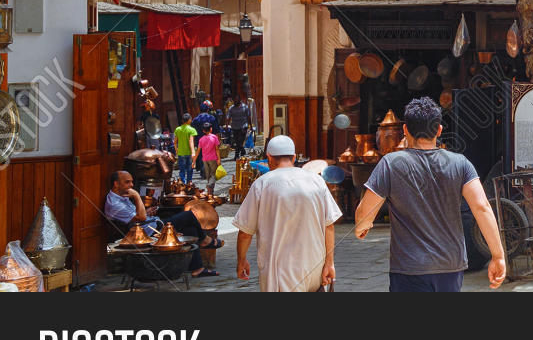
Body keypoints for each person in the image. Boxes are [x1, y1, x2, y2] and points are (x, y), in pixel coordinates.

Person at [354, 97, 505, 291]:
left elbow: (364, 212)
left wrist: (362, 226)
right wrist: (498, 255)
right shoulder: (460, 163)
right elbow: (481, 207)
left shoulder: (391, 164)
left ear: (405, 130)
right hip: (450, 267)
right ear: (439, 130)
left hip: (409, 269)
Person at [235, 134, 342, 292]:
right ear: (293, 157)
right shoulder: (316, 181)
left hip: (281, 274)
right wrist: (329, 262)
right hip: (315, 270)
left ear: (269, 158)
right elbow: (329, 226)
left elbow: (245, 232)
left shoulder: (261, 185)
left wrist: (241, 260)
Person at [104, 171, 161, 239]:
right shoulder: (114, 204)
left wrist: (145, 212)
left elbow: (134, 215)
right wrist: (136, 196)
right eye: (127, 182)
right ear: (116, 184)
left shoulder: (121, 196)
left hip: (152, 224)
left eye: (131, 181)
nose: (131, 185)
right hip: (148, 231)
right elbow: (141, 218)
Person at [193, 124, 222, 192]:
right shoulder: (214, 137)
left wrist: (194, 161)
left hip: (205, 159)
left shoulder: (201, 139)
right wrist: (219, 159)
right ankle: (209, 186)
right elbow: (217, 149)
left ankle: (210, 191)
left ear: (203, 131)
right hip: (213, 158)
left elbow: (198, 150)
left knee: (208, 175)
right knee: (213, 174)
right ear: (211, 129)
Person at [172, 115, 197, 185]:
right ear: (189, 120)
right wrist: (193, 152)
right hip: (189, 152)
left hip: (181, 153)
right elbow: (191, 142)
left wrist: (176, 150)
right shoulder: (192, 130)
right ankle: (189, 182)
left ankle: (182, 183)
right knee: (189, 169)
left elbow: (175, 142)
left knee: (182, 169)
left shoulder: (178, 129)